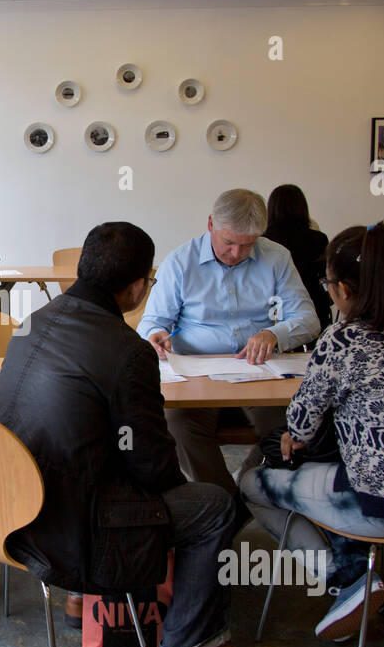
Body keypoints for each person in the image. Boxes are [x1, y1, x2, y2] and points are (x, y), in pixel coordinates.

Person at [0, 222, 240, 647]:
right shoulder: (129, 352)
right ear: (136, 286)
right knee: (216, 506)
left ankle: (79, 597)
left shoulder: (34, 322)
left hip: (21, 509)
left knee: (94, 460)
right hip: (76, 527)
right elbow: (153, 467)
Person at [238, 223, 384, 640]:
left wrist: (292, 437)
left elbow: (300, 427)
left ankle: (347, 578)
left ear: (342, 289)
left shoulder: (342, 340)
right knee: (345, 460)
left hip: (379, 504)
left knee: (251, 482)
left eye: (328, 283)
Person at [136, 188, 320, 499]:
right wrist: (154, 334)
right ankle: (224, 500)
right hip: (197, 372)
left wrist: (275, 334)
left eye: (247, 245)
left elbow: (308, 318)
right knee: (177, 426)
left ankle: (247, 486)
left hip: (260, 369)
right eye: (229, 242)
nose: (236, 253)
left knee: (294, 425)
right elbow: (152, 321)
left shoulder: (276, 257)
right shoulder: (181, 261)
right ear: (210, 224)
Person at [264, 184, 332, 331]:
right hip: (314, 306)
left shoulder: (263, 241)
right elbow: (325, 275)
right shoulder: (318, 238)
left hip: (273, 309)